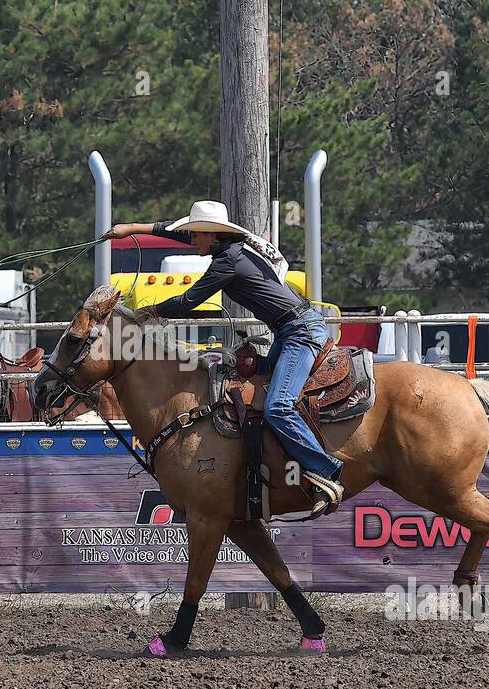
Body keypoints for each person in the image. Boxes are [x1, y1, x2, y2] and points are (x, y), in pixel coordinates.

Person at [105, 200, 343, 516]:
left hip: (299, 333)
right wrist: (131, 229)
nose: (191, 241)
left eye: (196, 235)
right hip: (290, 329)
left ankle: (326, 472)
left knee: (277, 406)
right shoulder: (233, 250)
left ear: (213, 236)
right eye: (190, 235)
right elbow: (175, 231)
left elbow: (190, 300)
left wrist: (152, 311)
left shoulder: (227, 262)